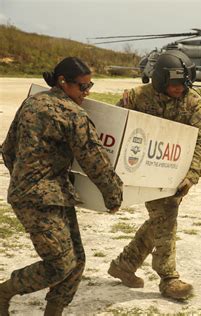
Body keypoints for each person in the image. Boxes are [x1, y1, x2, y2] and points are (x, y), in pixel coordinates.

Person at [0, 57, 123, 315]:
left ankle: (54, 311)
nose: (87, 93)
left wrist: (22, 177)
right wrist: (113, 195)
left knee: (76, 261)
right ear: (62, 82)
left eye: (90, 86)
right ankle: (4, 291)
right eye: (82, 87)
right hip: (39, 200)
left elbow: (8, 149)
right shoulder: (72, 114)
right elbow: (94, 161)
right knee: (59, 264)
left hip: (52, 195)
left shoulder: (31, 103)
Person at [107, 50, 201, 300]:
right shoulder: (137, 97)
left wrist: (192, 174)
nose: (180, 89)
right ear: (160, 80)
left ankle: (125, 264)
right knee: (166, 216)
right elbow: (113, 124)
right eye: (175, 83)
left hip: (173, 174)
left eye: (185, 83)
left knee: (163, 216)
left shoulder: (193, 102)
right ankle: (168, 278)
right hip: (139, 170)